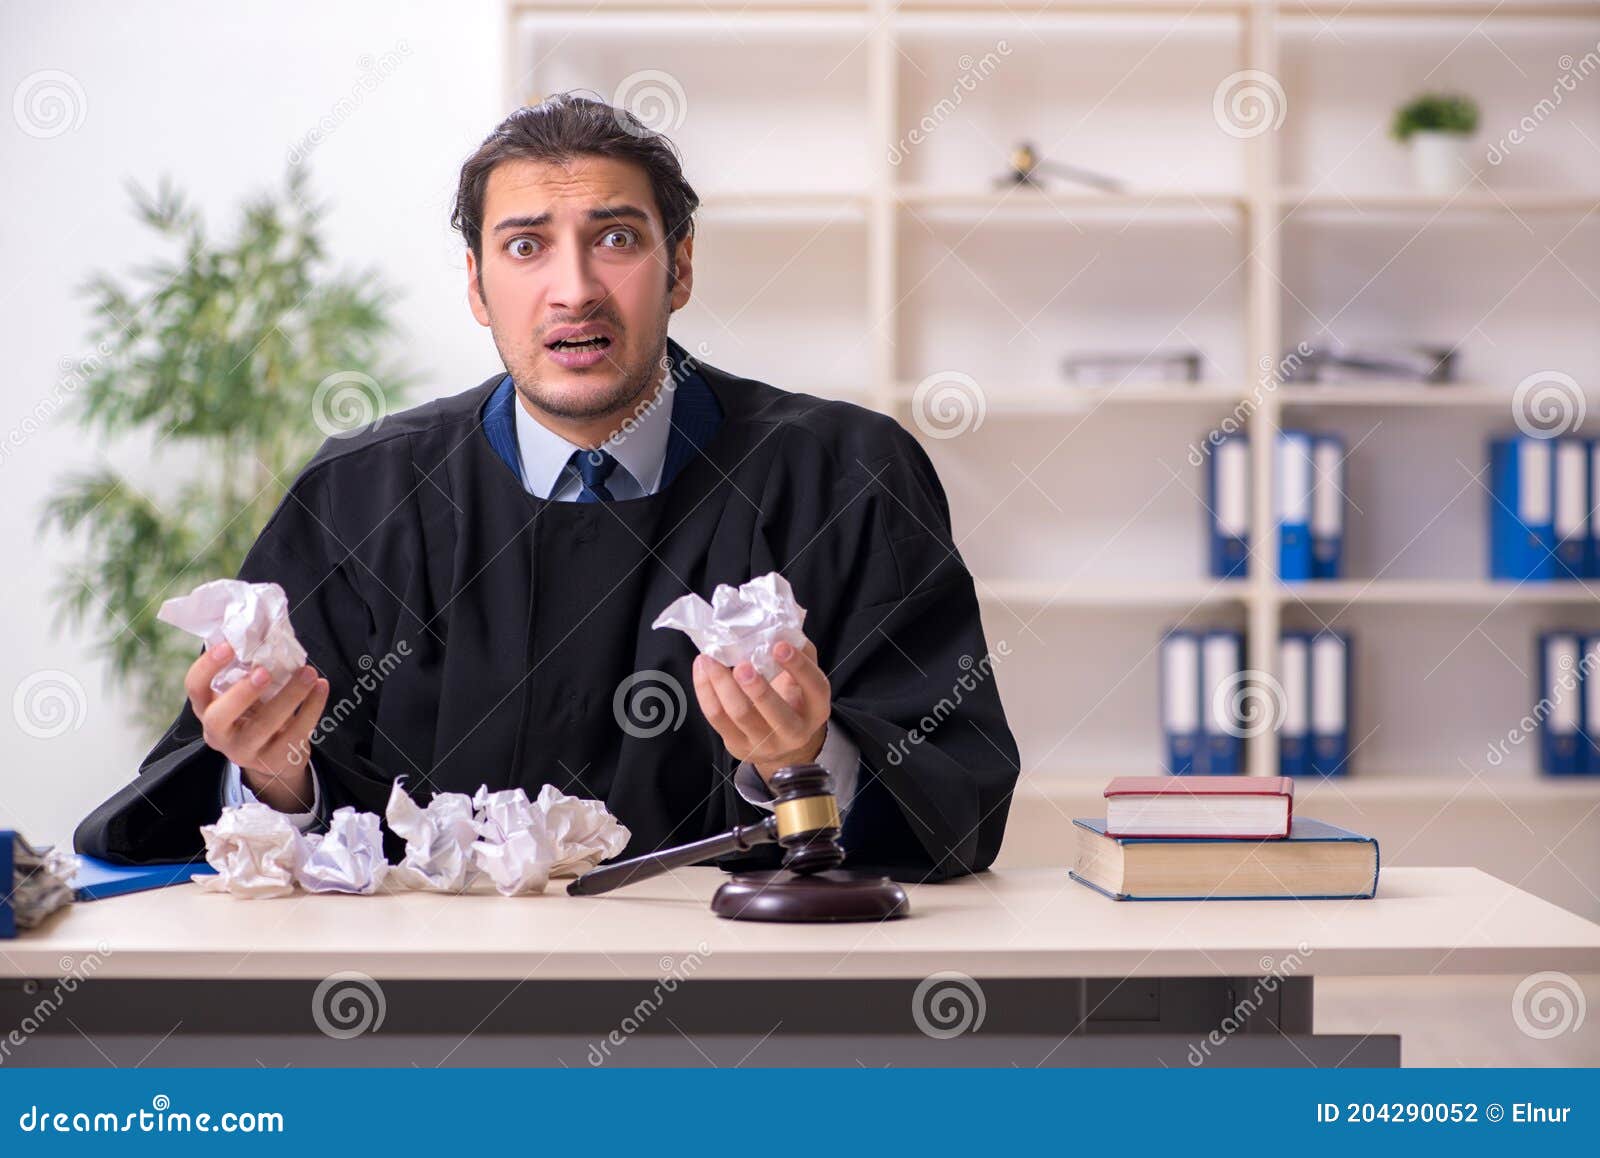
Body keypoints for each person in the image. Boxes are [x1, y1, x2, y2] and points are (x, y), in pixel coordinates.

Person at [75, 93, 1018, 882]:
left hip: (747, 1018)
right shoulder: (361, 495)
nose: (575, 288)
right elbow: (209, 807)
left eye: (616, 237)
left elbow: (960, 802)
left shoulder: (846, 475)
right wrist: (281, 777)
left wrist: (797, 766)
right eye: (526, 247)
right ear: (479, 289)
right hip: (423, 1023)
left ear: (679, 267)